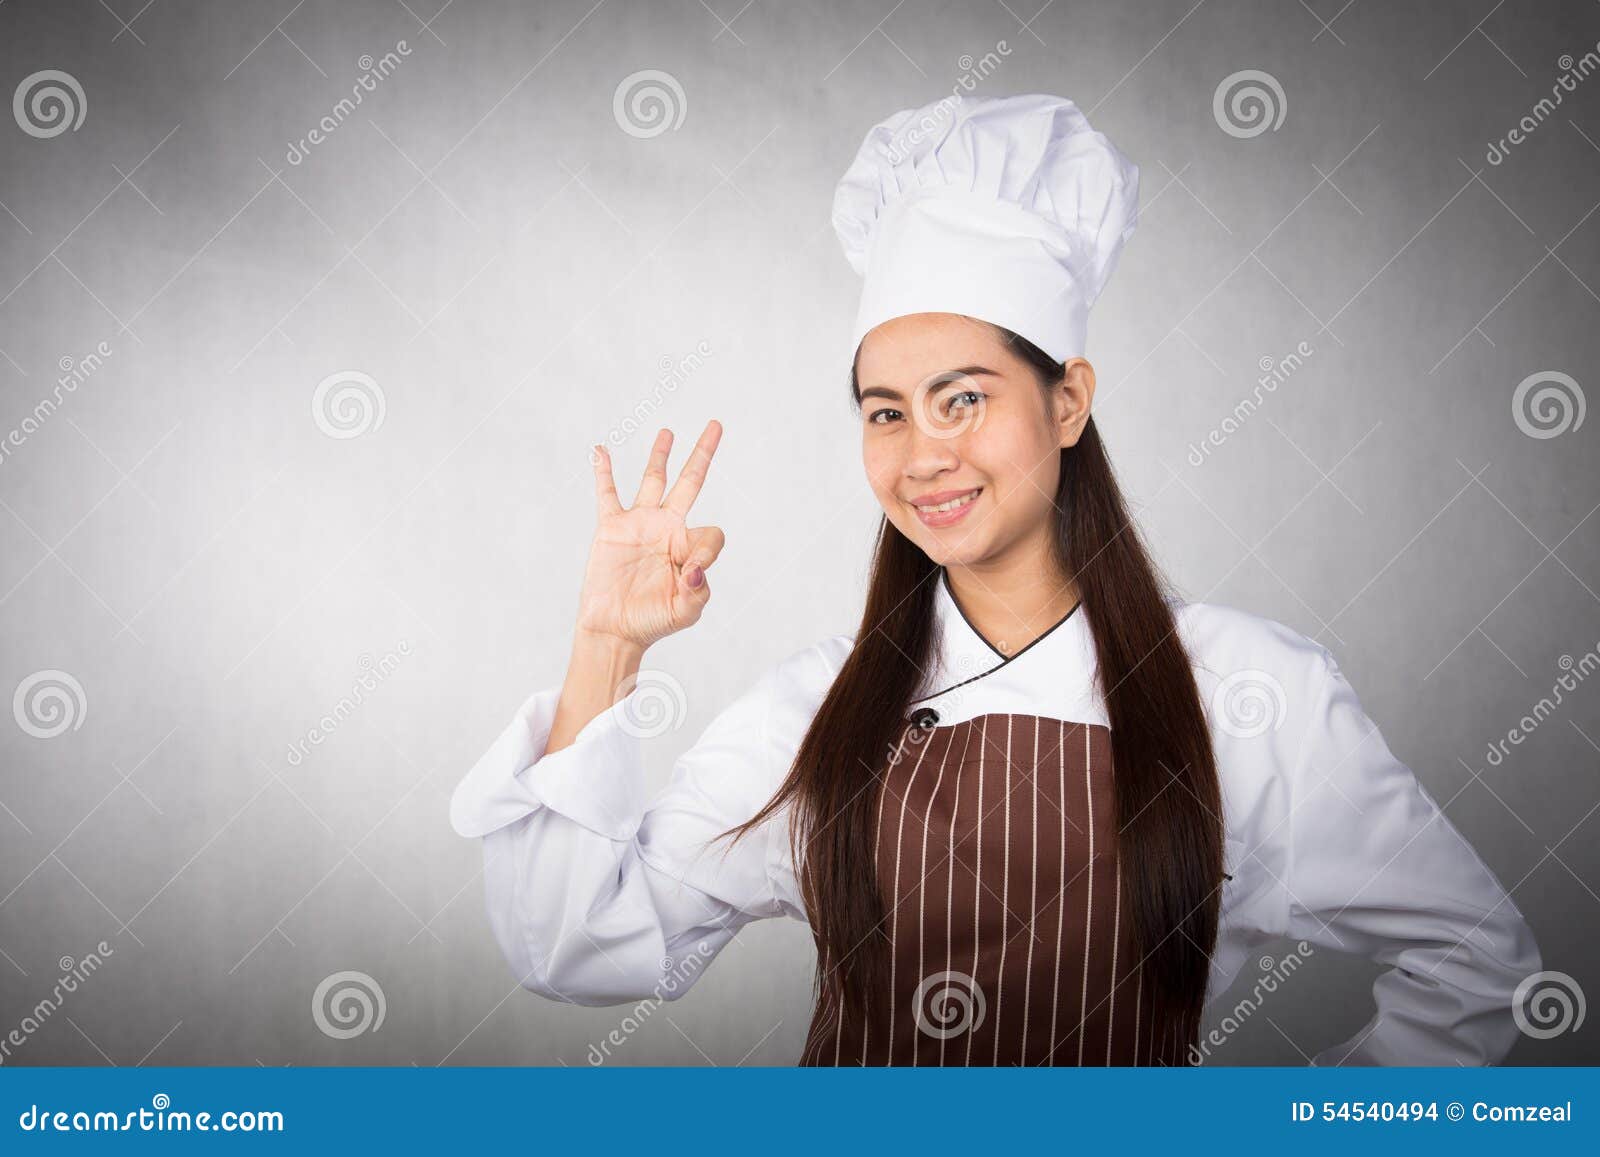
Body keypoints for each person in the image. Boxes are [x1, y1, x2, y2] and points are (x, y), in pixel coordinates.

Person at [449, 93, 1541, 1066]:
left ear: (1066, 401)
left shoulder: (1249, 690)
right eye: (885, 411)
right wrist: (607, 644)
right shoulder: (817, 708)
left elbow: (1479, 966)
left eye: (962, 397)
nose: (921, 452)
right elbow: (573, 943)